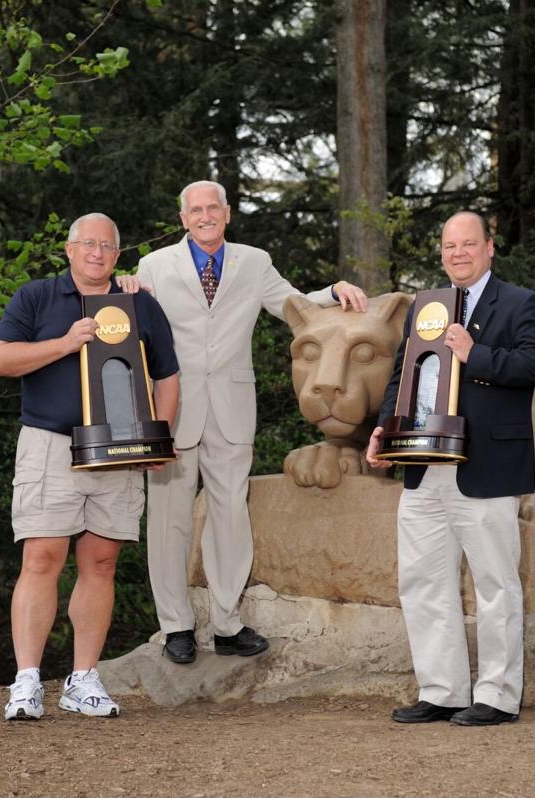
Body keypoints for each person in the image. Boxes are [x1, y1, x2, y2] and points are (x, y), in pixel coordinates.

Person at [135, 180, 368, 664]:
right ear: (183, 219)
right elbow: (133, 331)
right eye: (195, 210)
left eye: (212, 208)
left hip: (232, 407)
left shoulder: (254, 262)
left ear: (227, 213)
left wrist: (333, 291)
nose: (204, 216)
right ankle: (175, 625)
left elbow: (292, 305)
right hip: (173, 409)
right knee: (168, 518)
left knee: (230, 513)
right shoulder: (154, 267)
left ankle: (226, 622)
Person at [366, 211, 535, 726]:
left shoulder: (520, 303)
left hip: (487, 466)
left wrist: (479, 356)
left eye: (468, 244)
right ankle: (443, 690)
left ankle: (496, 696)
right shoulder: (424, 307)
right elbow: (403, 374)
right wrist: (386, 427)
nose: (458, 254)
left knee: (496, 584)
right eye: (450, 246)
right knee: (423, 581)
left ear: (489, 248)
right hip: (423, 462)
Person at [0, 213, 180, 720]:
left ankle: (83, 679)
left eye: (107, 246)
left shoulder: (139, 303)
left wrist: (157, 439)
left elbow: (168, 377)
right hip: (50, 444)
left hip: (120, 451)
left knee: (101, 563)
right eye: (87, 244)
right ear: (69, 250)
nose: (97, 252)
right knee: (42, 558)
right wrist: (66, 344)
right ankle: (27, 681)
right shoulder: (36, 297)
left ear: (118, 255)